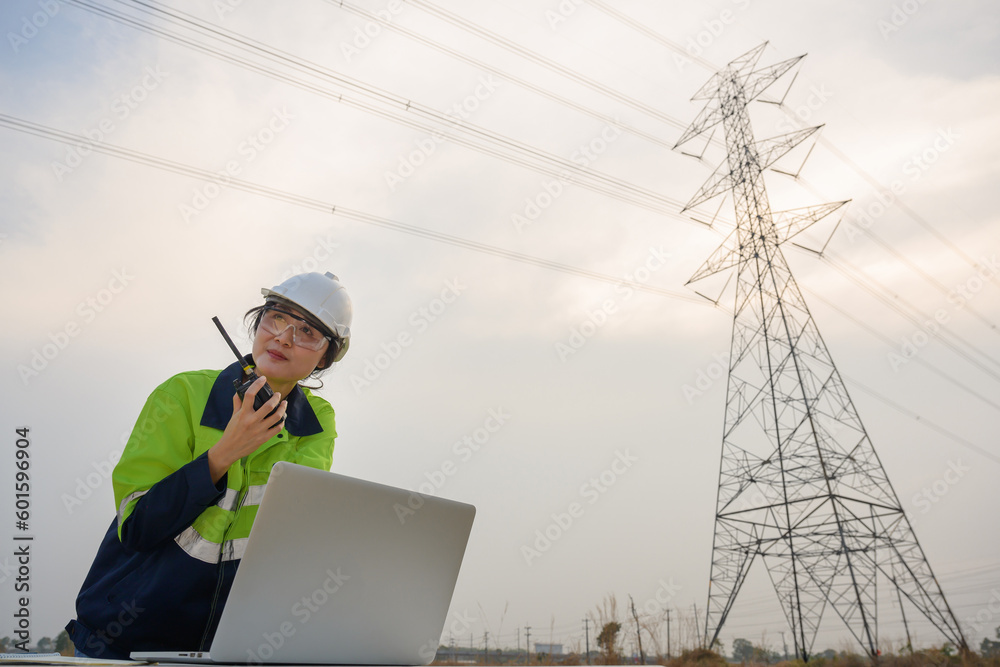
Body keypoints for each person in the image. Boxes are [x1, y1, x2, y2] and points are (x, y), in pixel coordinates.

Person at [65, 272, 352, 659]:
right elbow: (136, 527)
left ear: (325, 357)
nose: (284, 337)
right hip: (123, 646)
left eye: (307, 331)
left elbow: (291, 535)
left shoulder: (317, 422)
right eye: (277, 318)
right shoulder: (182, 395)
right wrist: (223, 454)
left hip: (226, 650)